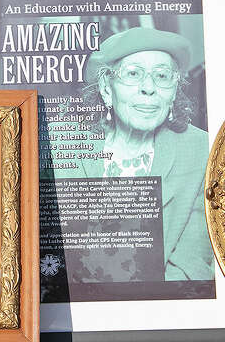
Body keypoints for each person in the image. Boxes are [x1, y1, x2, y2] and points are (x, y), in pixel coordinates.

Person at [75, 27, 213, 282]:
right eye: (133, 73)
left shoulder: (201, 150)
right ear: (106, 88)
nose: (149, 87)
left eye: (162, 76)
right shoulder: (66, 146)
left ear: (174, 91)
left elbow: (191, 266)